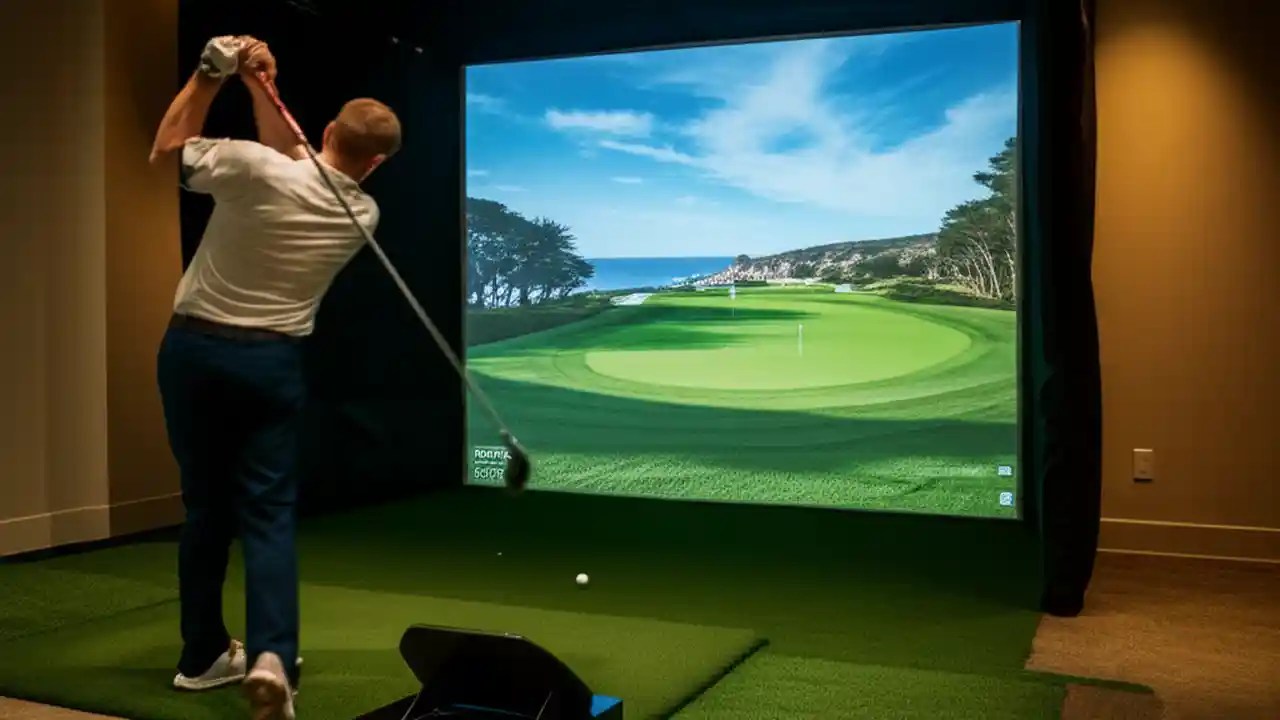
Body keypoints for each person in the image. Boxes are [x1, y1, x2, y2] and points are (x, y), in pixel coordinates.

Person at [148, 35, 401, 720]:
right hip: (270, 365)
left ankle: (201, 657)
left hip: (193, 354)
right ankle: (271, 657)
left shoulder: (254, 167)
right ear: (375, 163)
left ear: (325, 131)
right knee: (265, 515)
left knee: (206, 510)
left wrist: (211, 76)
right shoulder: (362, 214)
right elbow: (296, 165)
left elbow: (169, 152)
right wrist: (264, 87)